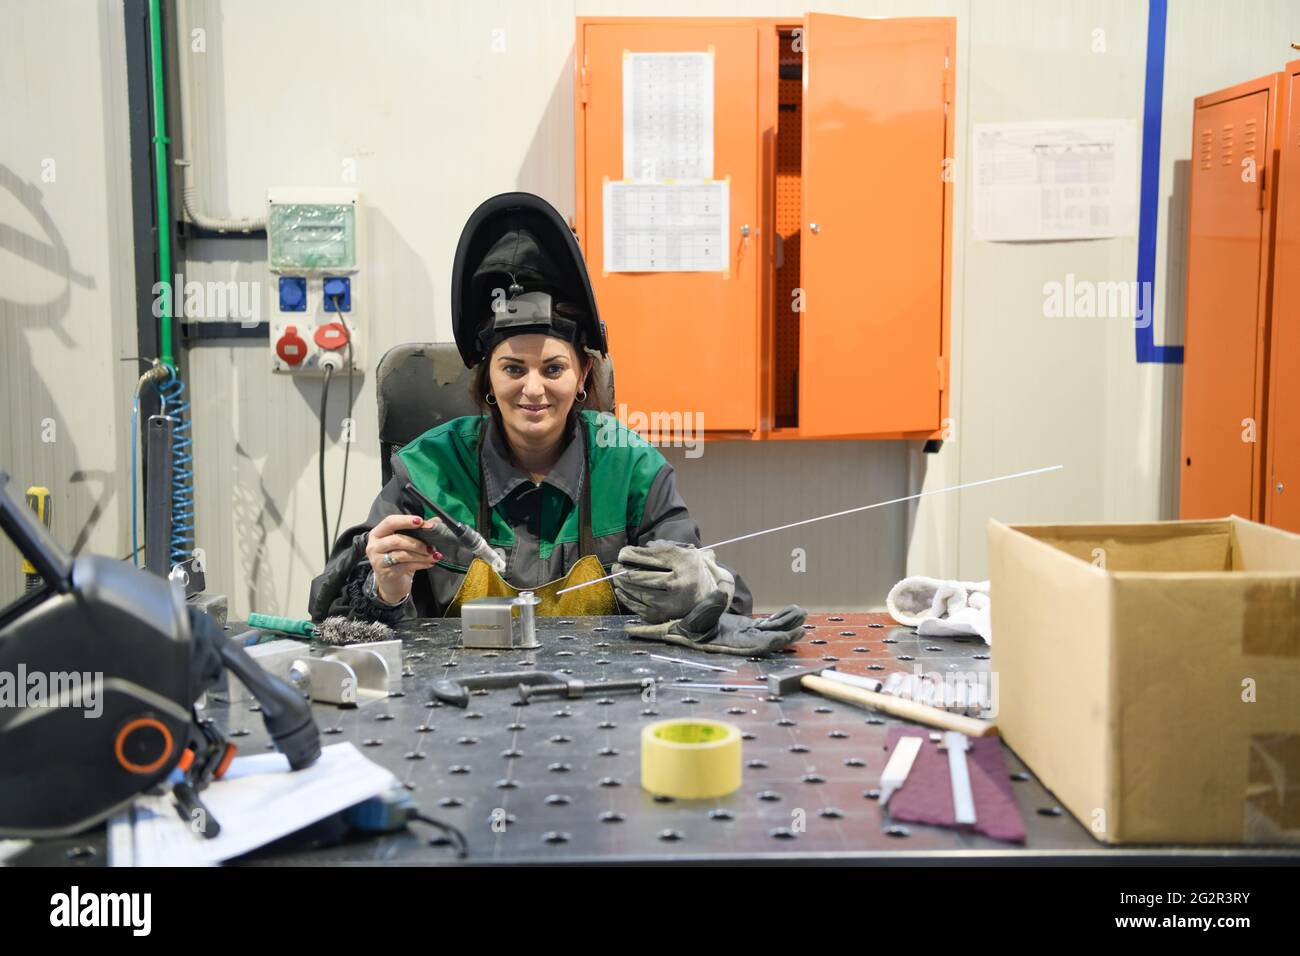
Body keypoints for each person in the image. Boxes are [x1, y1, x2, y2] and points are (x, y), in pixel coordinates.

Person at [308, 192, 758, 631]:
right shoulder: (429, 471)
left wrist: (698, 589)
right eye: (513, 369)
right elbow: (330, 614)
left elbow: (731, 604)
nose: (534, 389)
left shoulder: (630, 467)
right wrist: (385, 588)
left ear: (583, 375)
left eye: (553, 368)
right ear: (488, 378)